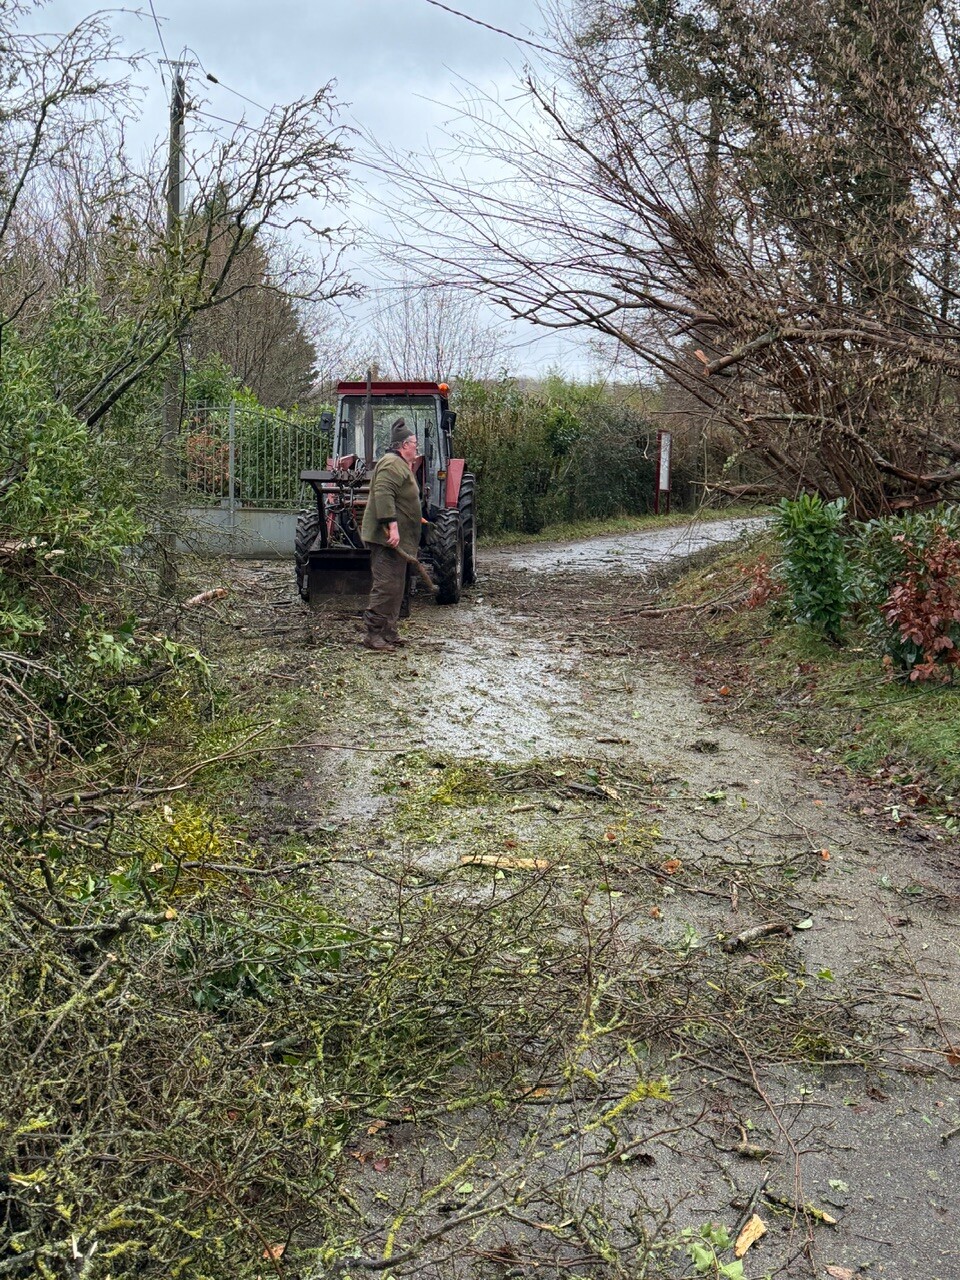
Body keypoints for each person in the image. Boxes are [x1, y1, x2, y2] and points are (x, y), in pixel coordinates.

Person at [359, 418, 421, 652]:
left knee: (396, 585)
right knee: (386, 585)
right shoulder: (391, 464)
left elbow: (399, 496)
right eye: (414, 443)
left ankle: (388, 631)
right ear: (404, 445)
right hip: (388, 539)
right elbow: (383, 493)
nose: (416, 447)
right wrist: (392, 526)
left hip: (399, 541)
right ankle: (373, 635)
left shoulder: (398, 464)